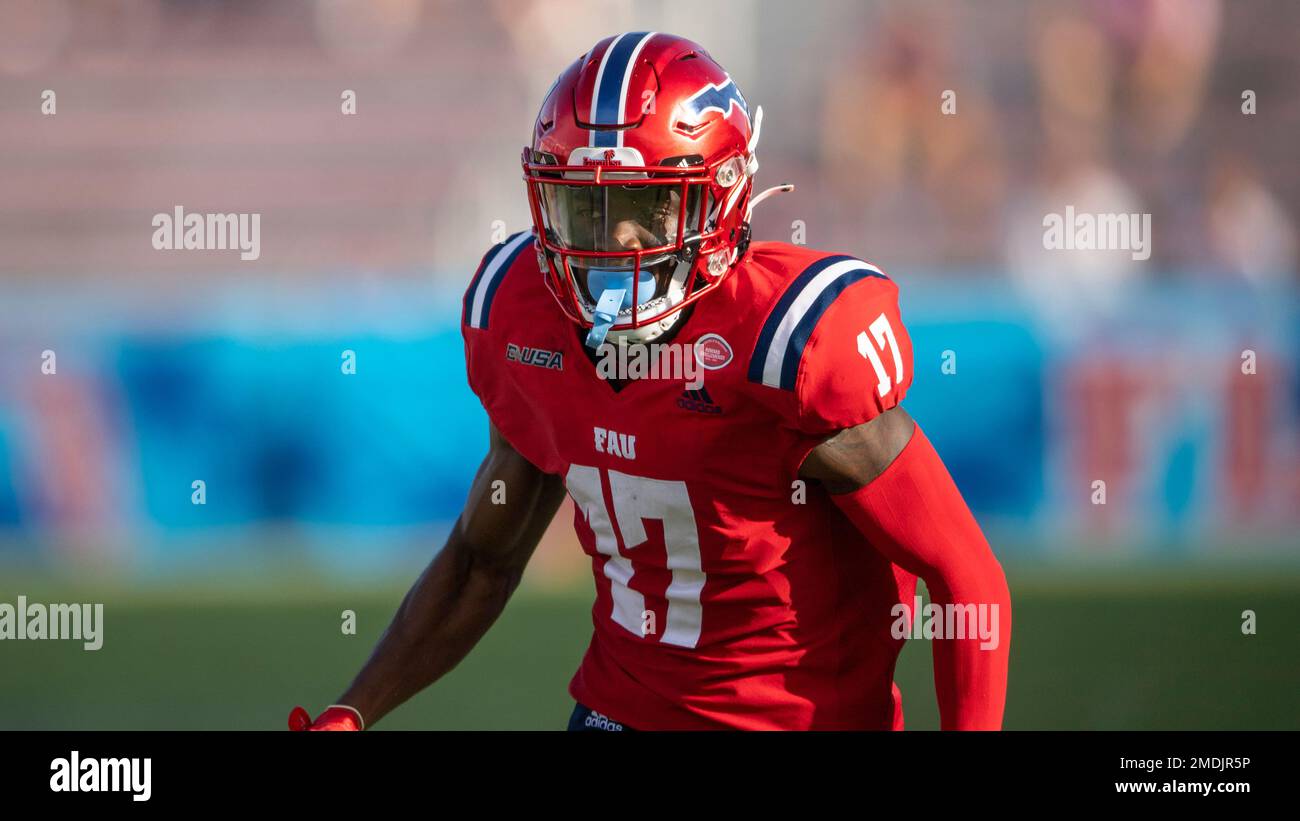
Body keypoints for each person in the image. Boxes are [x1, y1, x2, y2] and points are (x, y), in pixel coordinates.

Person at [290, 32, 1010, 731]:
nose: (616, 239)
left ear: (719, 195)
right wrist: (353, 711)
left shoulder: (782, 345)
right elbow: (483, 560)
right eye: (588, 206)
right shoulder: (525, 324)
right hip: (618, 715)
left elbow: (965, 575)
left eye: (644, 205)